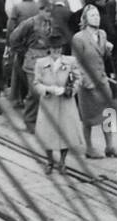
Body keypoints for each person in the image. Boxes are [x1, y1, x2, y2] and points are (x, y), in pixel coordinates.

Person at [33, 29, 83, 175]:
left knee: (65, 132)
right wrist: (48, 89)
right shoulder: (41, 63)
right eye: (53, 48)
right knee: (47, 133)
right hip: (49, 102)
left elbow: (78, 78)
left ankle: (62, 162)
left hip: (65, 103)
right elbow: (36, 84)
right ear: (49, 49)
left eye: (59, 48)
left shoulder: (70, 62)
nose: (56, 51)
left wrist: (70, 90)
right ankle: (49, 161)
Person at [72, 4, 117, 159]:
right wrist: (85, 81)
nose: (96, 18)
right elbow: (76, 62)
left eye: (97, 15)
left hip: (102, 80)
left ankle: (110, 145)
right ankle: (89, 147)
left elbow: (102, 54)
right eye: (92, 15)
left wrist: (107, 47)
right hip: (88, 83)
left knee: (109, 113)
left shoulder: (102, 34)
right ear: (85, 19)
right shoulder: (79, 38)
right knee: (88, 117)